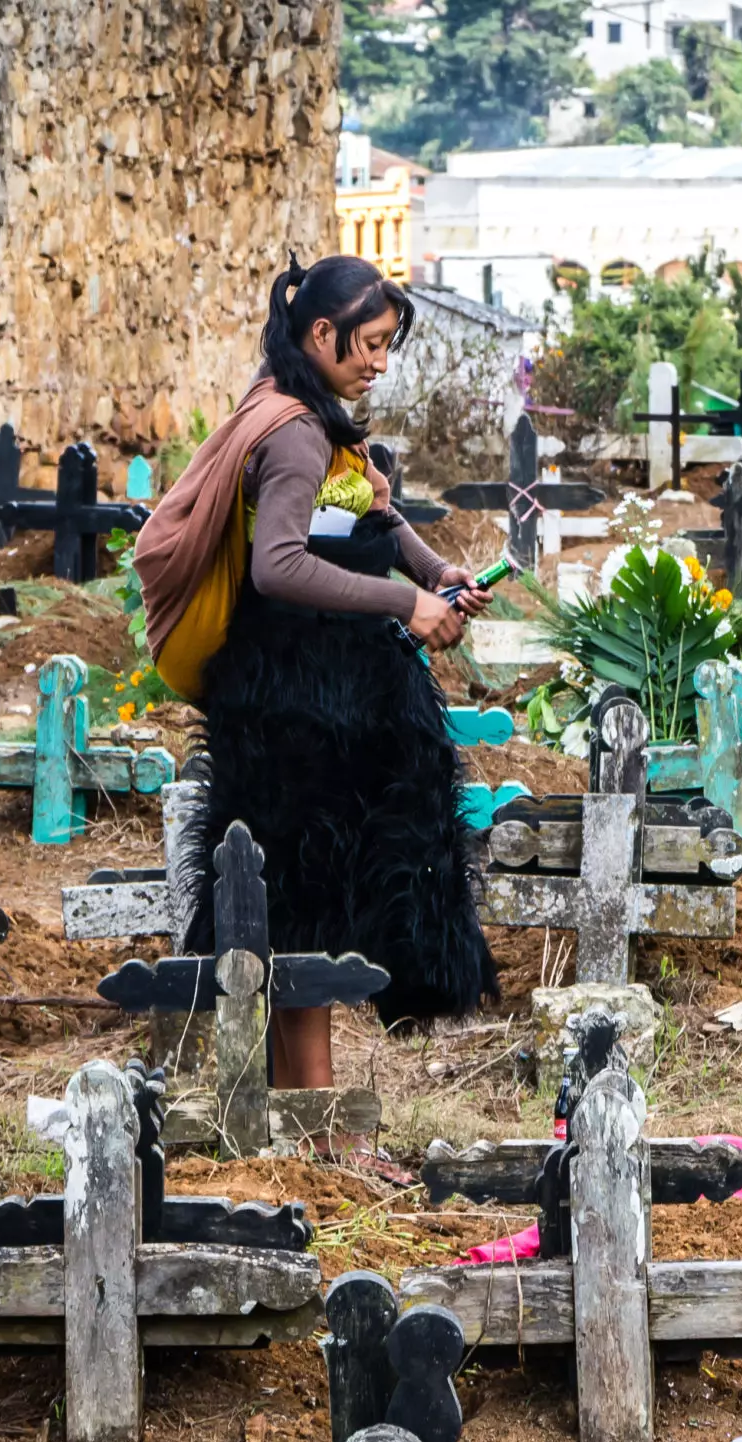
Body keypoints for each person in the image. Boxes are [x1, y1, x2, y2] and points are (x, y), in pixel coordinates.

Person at [131, 253, 498, 1163]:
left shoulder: (324, 426)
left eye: (388, 347)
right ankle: (327, 1128)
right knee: (300, 900)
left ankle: (316, 1123)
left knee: (310, 899)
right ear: (320, 335)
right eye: (369, 344)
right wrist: (404, 606)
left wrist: (434, 572)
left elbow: (369, 513)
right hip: (295, 705)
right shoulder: (292, 435)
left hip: (325, 697)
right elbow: (279, 565)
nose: (380, 362)